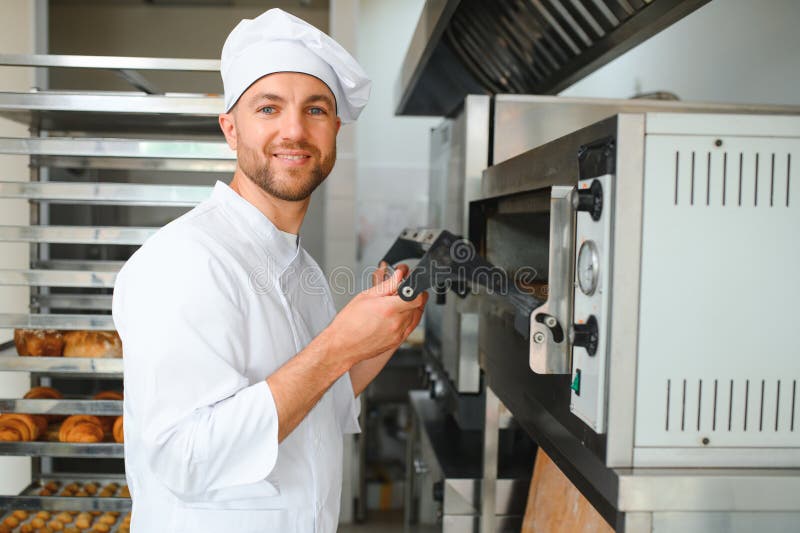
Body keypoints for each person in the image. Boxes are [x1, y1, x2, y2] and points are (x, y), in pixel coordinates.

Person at [111, 8, 427, 532]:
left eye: (316, 110)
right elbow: (185, 458)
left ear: (335, 133)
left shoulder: (298, 265)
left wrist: (382, 334)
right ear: (231, 130)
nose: (294, 131)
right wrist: (340, 344)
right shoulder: (185, 261)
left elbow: (318, 396)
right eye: (268, 108)